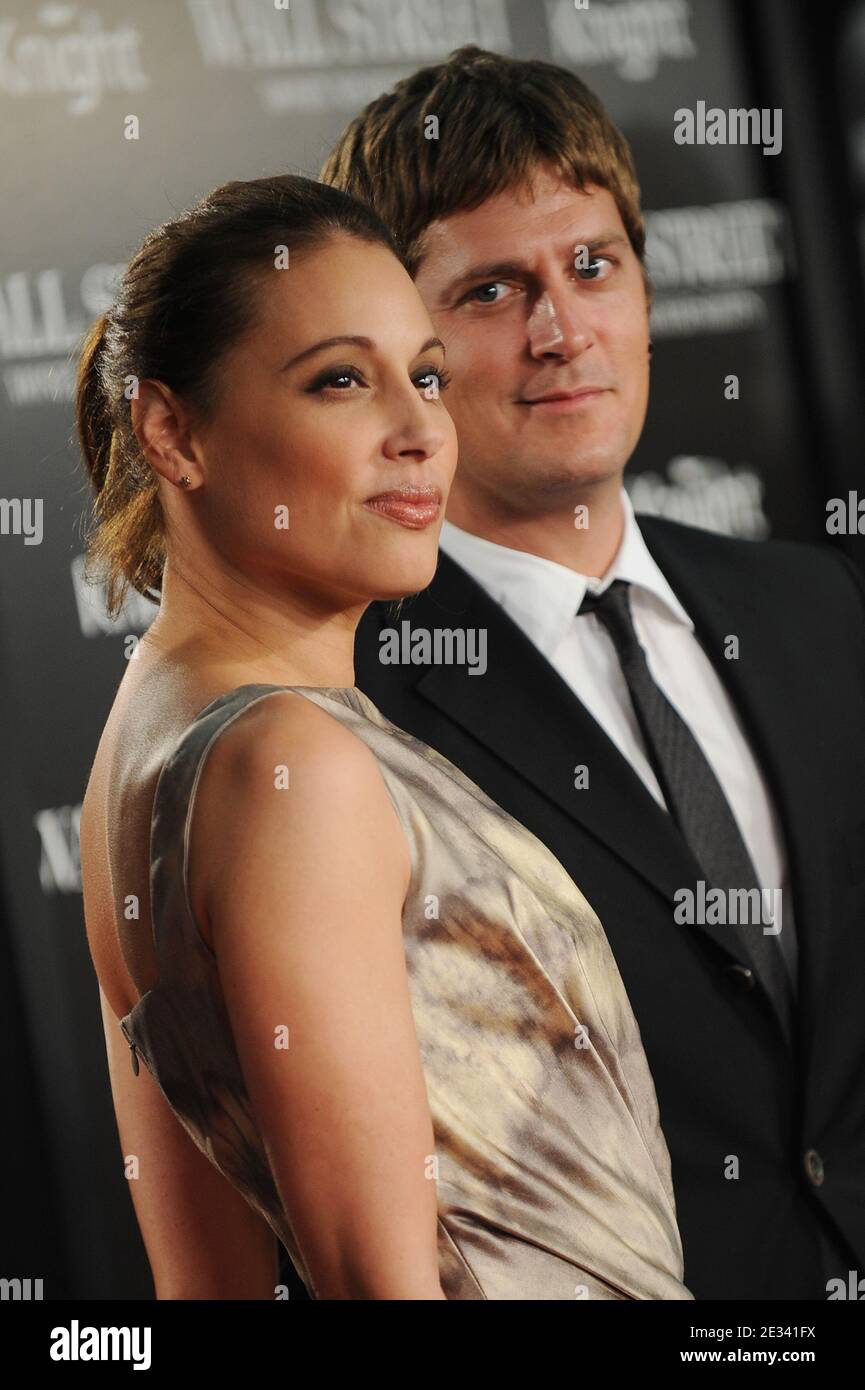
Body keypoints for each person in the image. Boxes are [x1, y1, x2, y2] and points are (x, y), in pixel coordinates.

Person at [77, 173, 692, 1301]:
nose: (420, 432)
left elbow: (201, 1293)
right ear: (172, 431)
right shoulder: (292, 767)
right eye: (342, 381)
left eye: (426, 376)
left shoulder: (147, 749)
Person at [322, 45, 865, 1300]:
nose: (562, 331)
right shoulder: (354, 715)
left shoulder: (813, 607)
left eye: (590, 266)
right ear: (404, 348)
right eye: (497, 290)